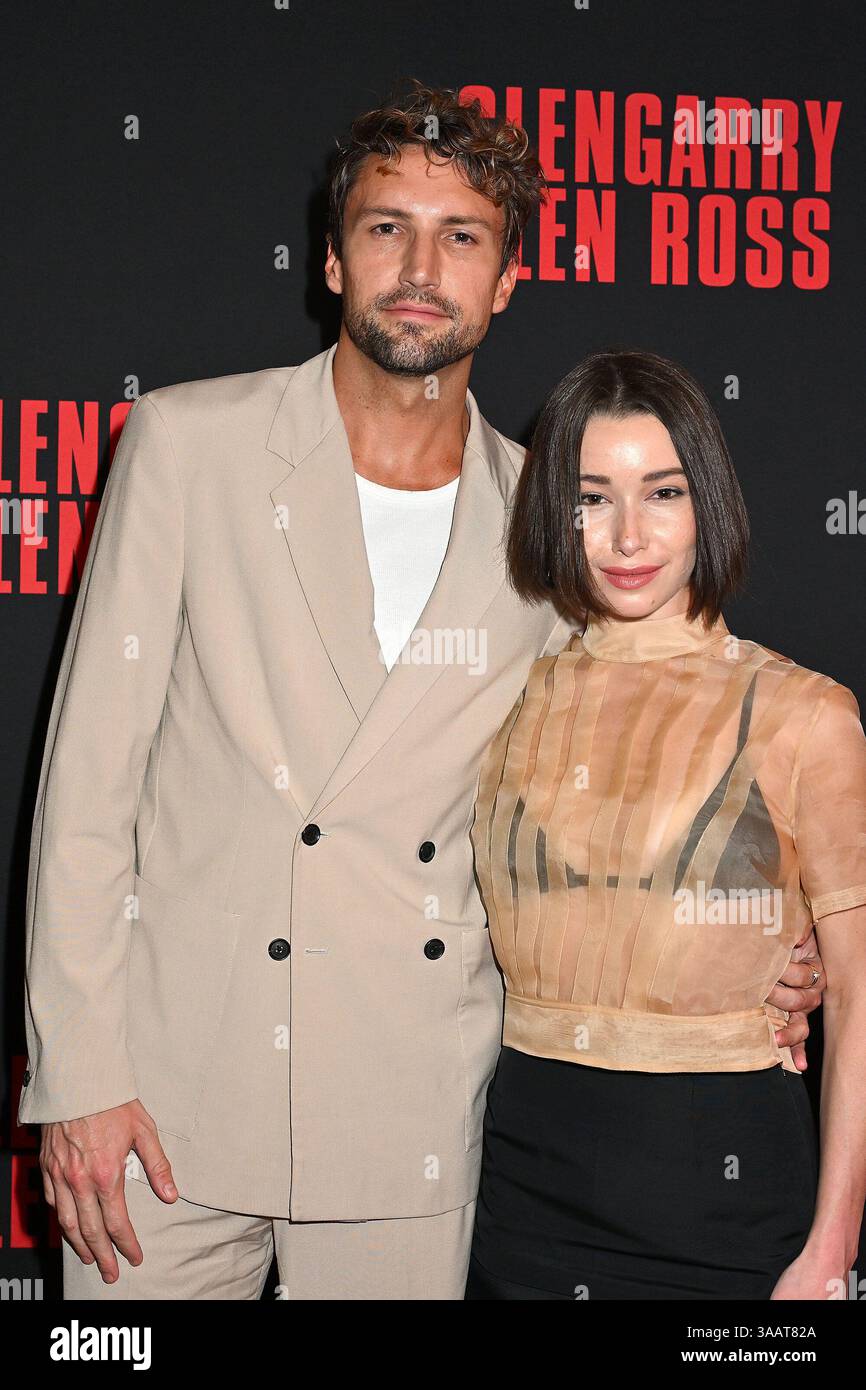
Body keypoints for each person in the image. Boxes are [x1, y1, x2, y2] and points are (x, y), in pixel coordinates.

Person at [18, 84, 825, 1301]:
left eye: (462, 238)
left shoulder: (547, 518)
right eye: (386, 227)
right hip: (168, 1107)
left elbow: (640, 759)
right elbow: (87, 785)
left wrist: (763, 936)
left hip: (408, 1110)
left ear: (506, 281)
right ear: (332, 258)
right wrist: (76, 1074)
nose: (419, 266)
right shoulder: (189, 447)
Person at [464, 349, 866, 1300]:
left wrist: (832, 1244)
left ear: (708, 503)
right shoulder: (502, 695)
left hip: (722, 1201)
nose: (629, 535)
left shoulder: (805, 714)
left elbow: (855, 1001)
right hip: (516, 1183)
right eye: (592, 496)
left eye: (664, 492)